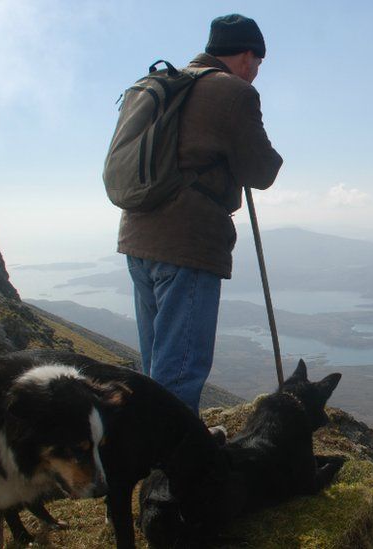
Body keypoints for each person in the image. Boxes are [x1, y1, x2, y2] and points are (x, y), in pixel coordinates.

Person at [117, 14, 283, 411]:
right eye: (257, 65)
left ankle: (152, 458)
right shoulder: (233, 93)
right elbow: (261, 170)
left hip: (138, 239)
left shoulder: (163, 85)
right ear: (247, 57)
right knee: (179, 378)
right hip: (187, 247)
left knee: (157, 368)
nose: (255, 74)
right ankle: (172, 470)